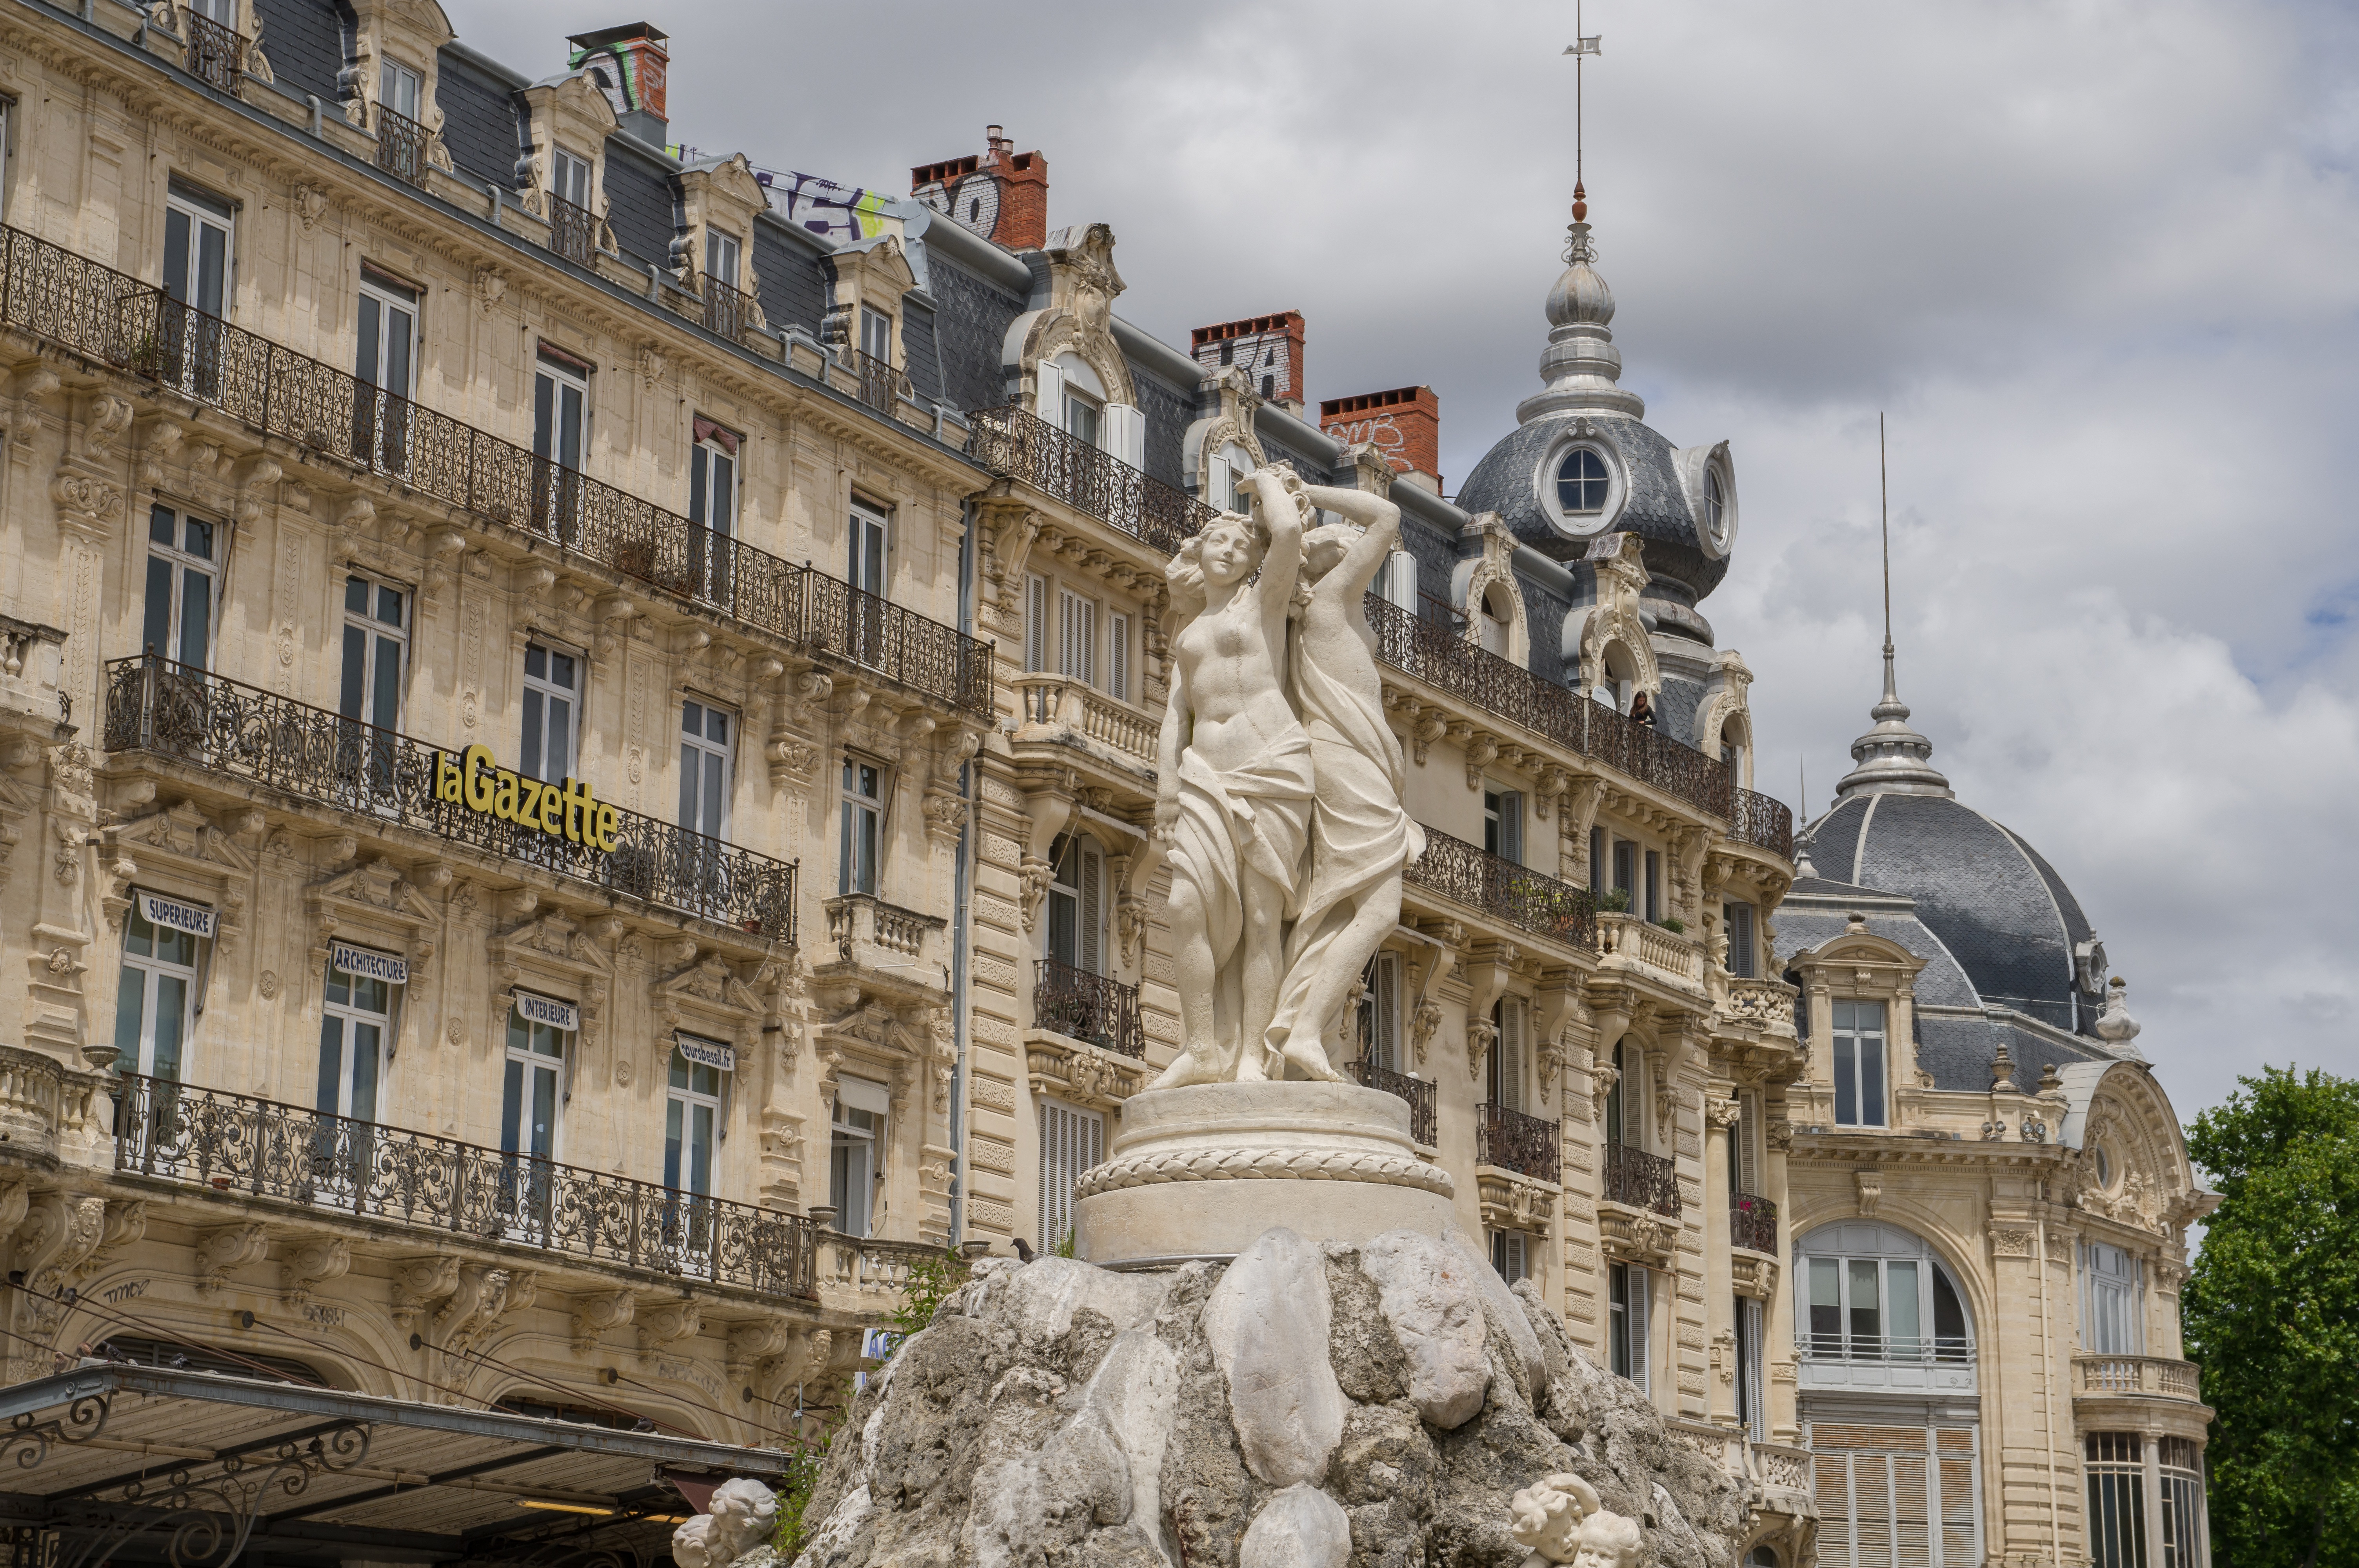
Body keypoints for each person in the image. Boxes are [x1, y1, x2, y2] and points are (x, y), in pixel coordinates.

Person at [1148, 467, 1312, 1088]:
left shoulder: (1264, 603)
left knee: (1264, 920)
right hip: (1204, 779)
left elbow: (1291, 533)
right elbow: (1174, 715)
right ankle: (1201, 1046)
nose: (1230, 550)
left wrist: (1266, 483)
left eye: (1243, 547)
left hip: (1272, 767)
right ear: (1199, 550)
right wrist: (1166, 790)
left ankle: (1251, 1056)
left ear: (1253, 564)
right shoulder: (1188, 633)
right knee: (1185, 905)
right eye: (1220, 540)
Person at [1259, 474, 1427, 1082]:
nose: (1361, 551)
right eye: (1345, 546)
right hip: (1350, 764)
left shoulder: (1327, 614)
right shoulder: (1332, 603)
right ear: (1330, 563)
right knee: (1380, 910)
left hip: (1353, 762)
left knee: (1334, 910)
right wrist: (1312, 490)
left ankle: (1304, 1028)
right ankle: (1304, 1030)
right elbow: (1385, 517)